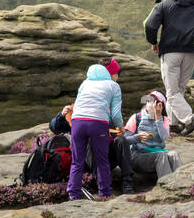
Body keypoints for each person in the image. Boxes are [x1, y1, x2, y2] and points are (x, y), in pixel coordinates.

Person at [144, 0, 194, 135]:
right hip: (190, 52)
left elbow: (150, 25)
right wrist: (190, 36)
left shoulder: (163, 6)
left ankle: (189, 119)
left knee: (172, 92)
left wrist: (154, 42)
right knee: (178, 90)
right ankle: (173, 126)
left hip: (171, 52)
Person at [49, 99, 134, 195]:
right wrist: (61, 115)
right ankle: (101, 182)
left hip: (107, 156)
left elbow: (118, 134)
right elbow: (54, 128)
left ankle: (127, 181)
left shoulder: (106, 112)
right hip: (87, 161)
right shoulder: (75, 113)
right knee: (90, 139)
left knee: (121, 140)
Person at [68, 62, 124, 200]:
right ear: (109, 73)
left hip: (77, 122)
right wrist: (120, 126)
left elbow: (77, 103)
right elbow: (116, 113)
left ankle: (73, 194)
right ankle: (104, 193)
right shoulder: (113, 86)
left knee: (77, 160)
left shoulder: (84, 83)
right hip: (98, 123)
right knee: (102, 160)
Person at [123, 90, 183, 180]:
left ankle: (182, 182)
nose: (151, 103)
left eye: (155, 101)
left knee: (174, 154)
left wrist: (158, 118)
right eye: (149, 100)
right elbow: (124, 140)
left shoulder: (164, 120)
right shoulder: (136, 118)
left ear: (161, 106)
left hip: (157, 152)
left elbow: (164, 137)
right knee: (161, 156)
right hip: (138, 156)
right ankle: (168, 184)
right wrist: (136, 138)